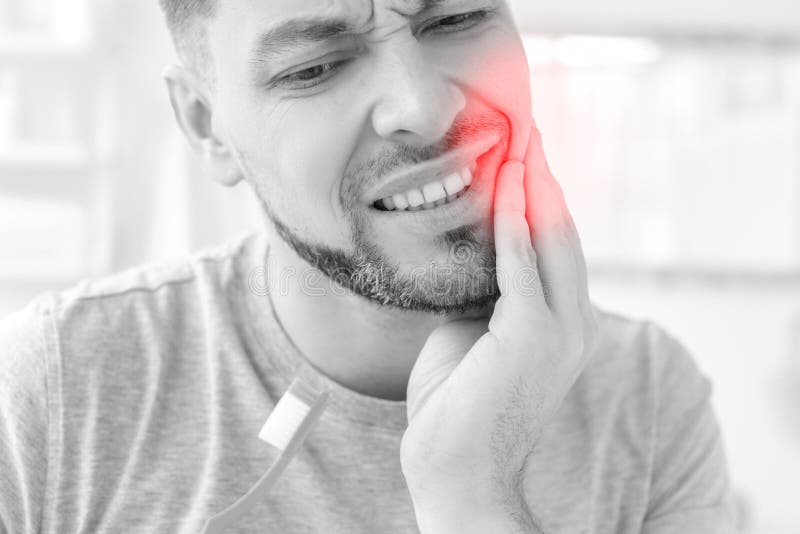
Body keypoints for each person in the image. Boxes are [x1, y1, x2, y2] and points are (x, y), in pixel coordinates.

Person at [0, 1, 738, 532]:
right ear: (205, 125)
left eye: (455, 20)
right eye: (315, 67)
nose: (423, 105)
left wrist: (473, 496)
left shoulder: (647, 400)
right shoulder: (55, 391)